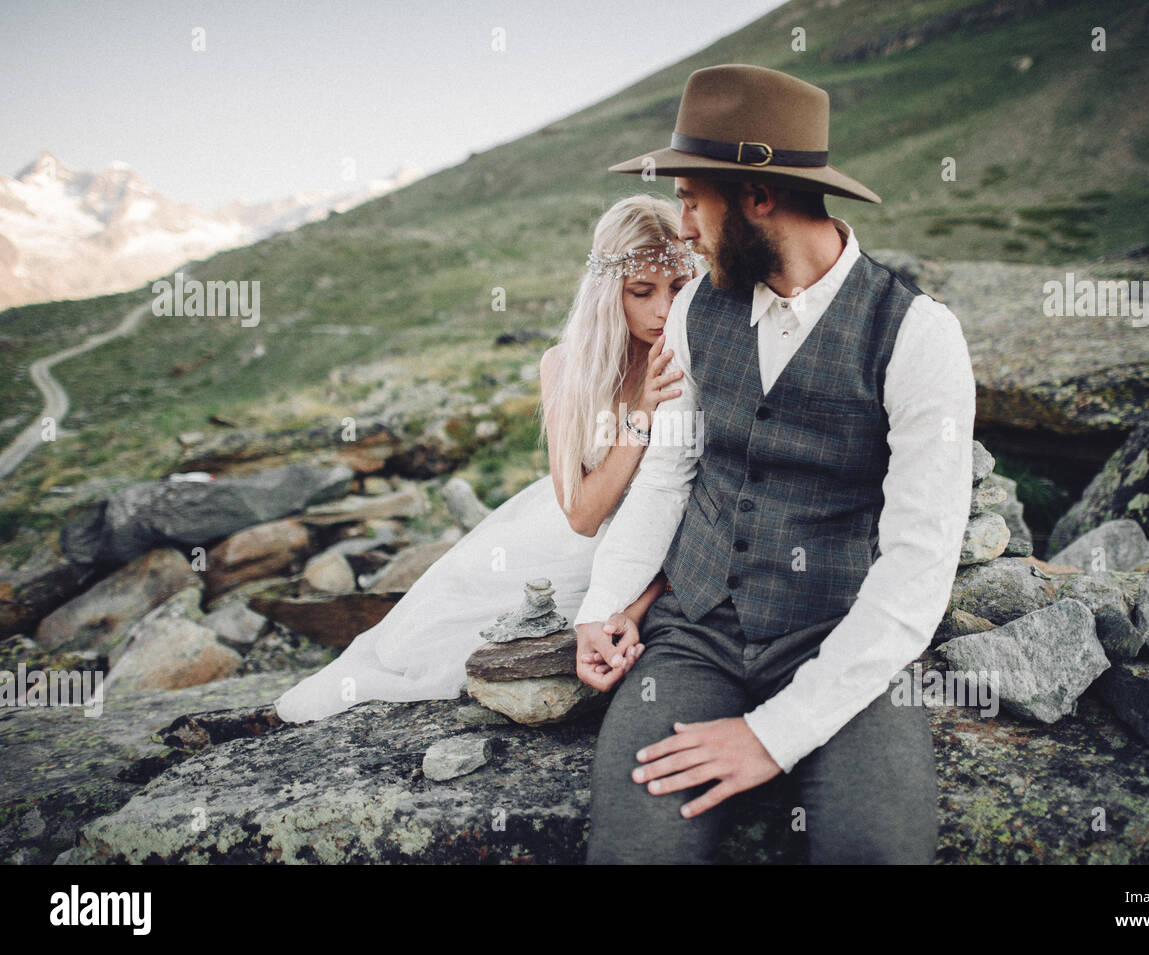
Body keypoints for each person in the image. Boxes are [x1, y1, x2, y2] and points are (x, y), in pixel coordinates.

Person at [575, 64, 977, 864]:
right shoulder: (697, 307)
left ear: (758, 197)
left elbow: (916, 571)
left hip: (843, 631)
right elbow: (668, 475)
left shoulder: (920, 337)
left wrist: (771, 736)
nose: (682, 227)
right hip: (695, 630)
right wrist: (605, 602)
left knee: (877, 852)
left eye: (692, 198)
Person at [273, 195, 697, 724]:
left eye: (679, 287)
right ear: (609, 293)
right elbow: (584, 516)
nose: (664, 308)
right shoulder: (566, 366)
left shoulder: (693, 351)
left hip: (663, 536)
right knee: (425, 643)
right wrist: (639, 420)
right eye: (642, 292)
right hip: (573, 538)